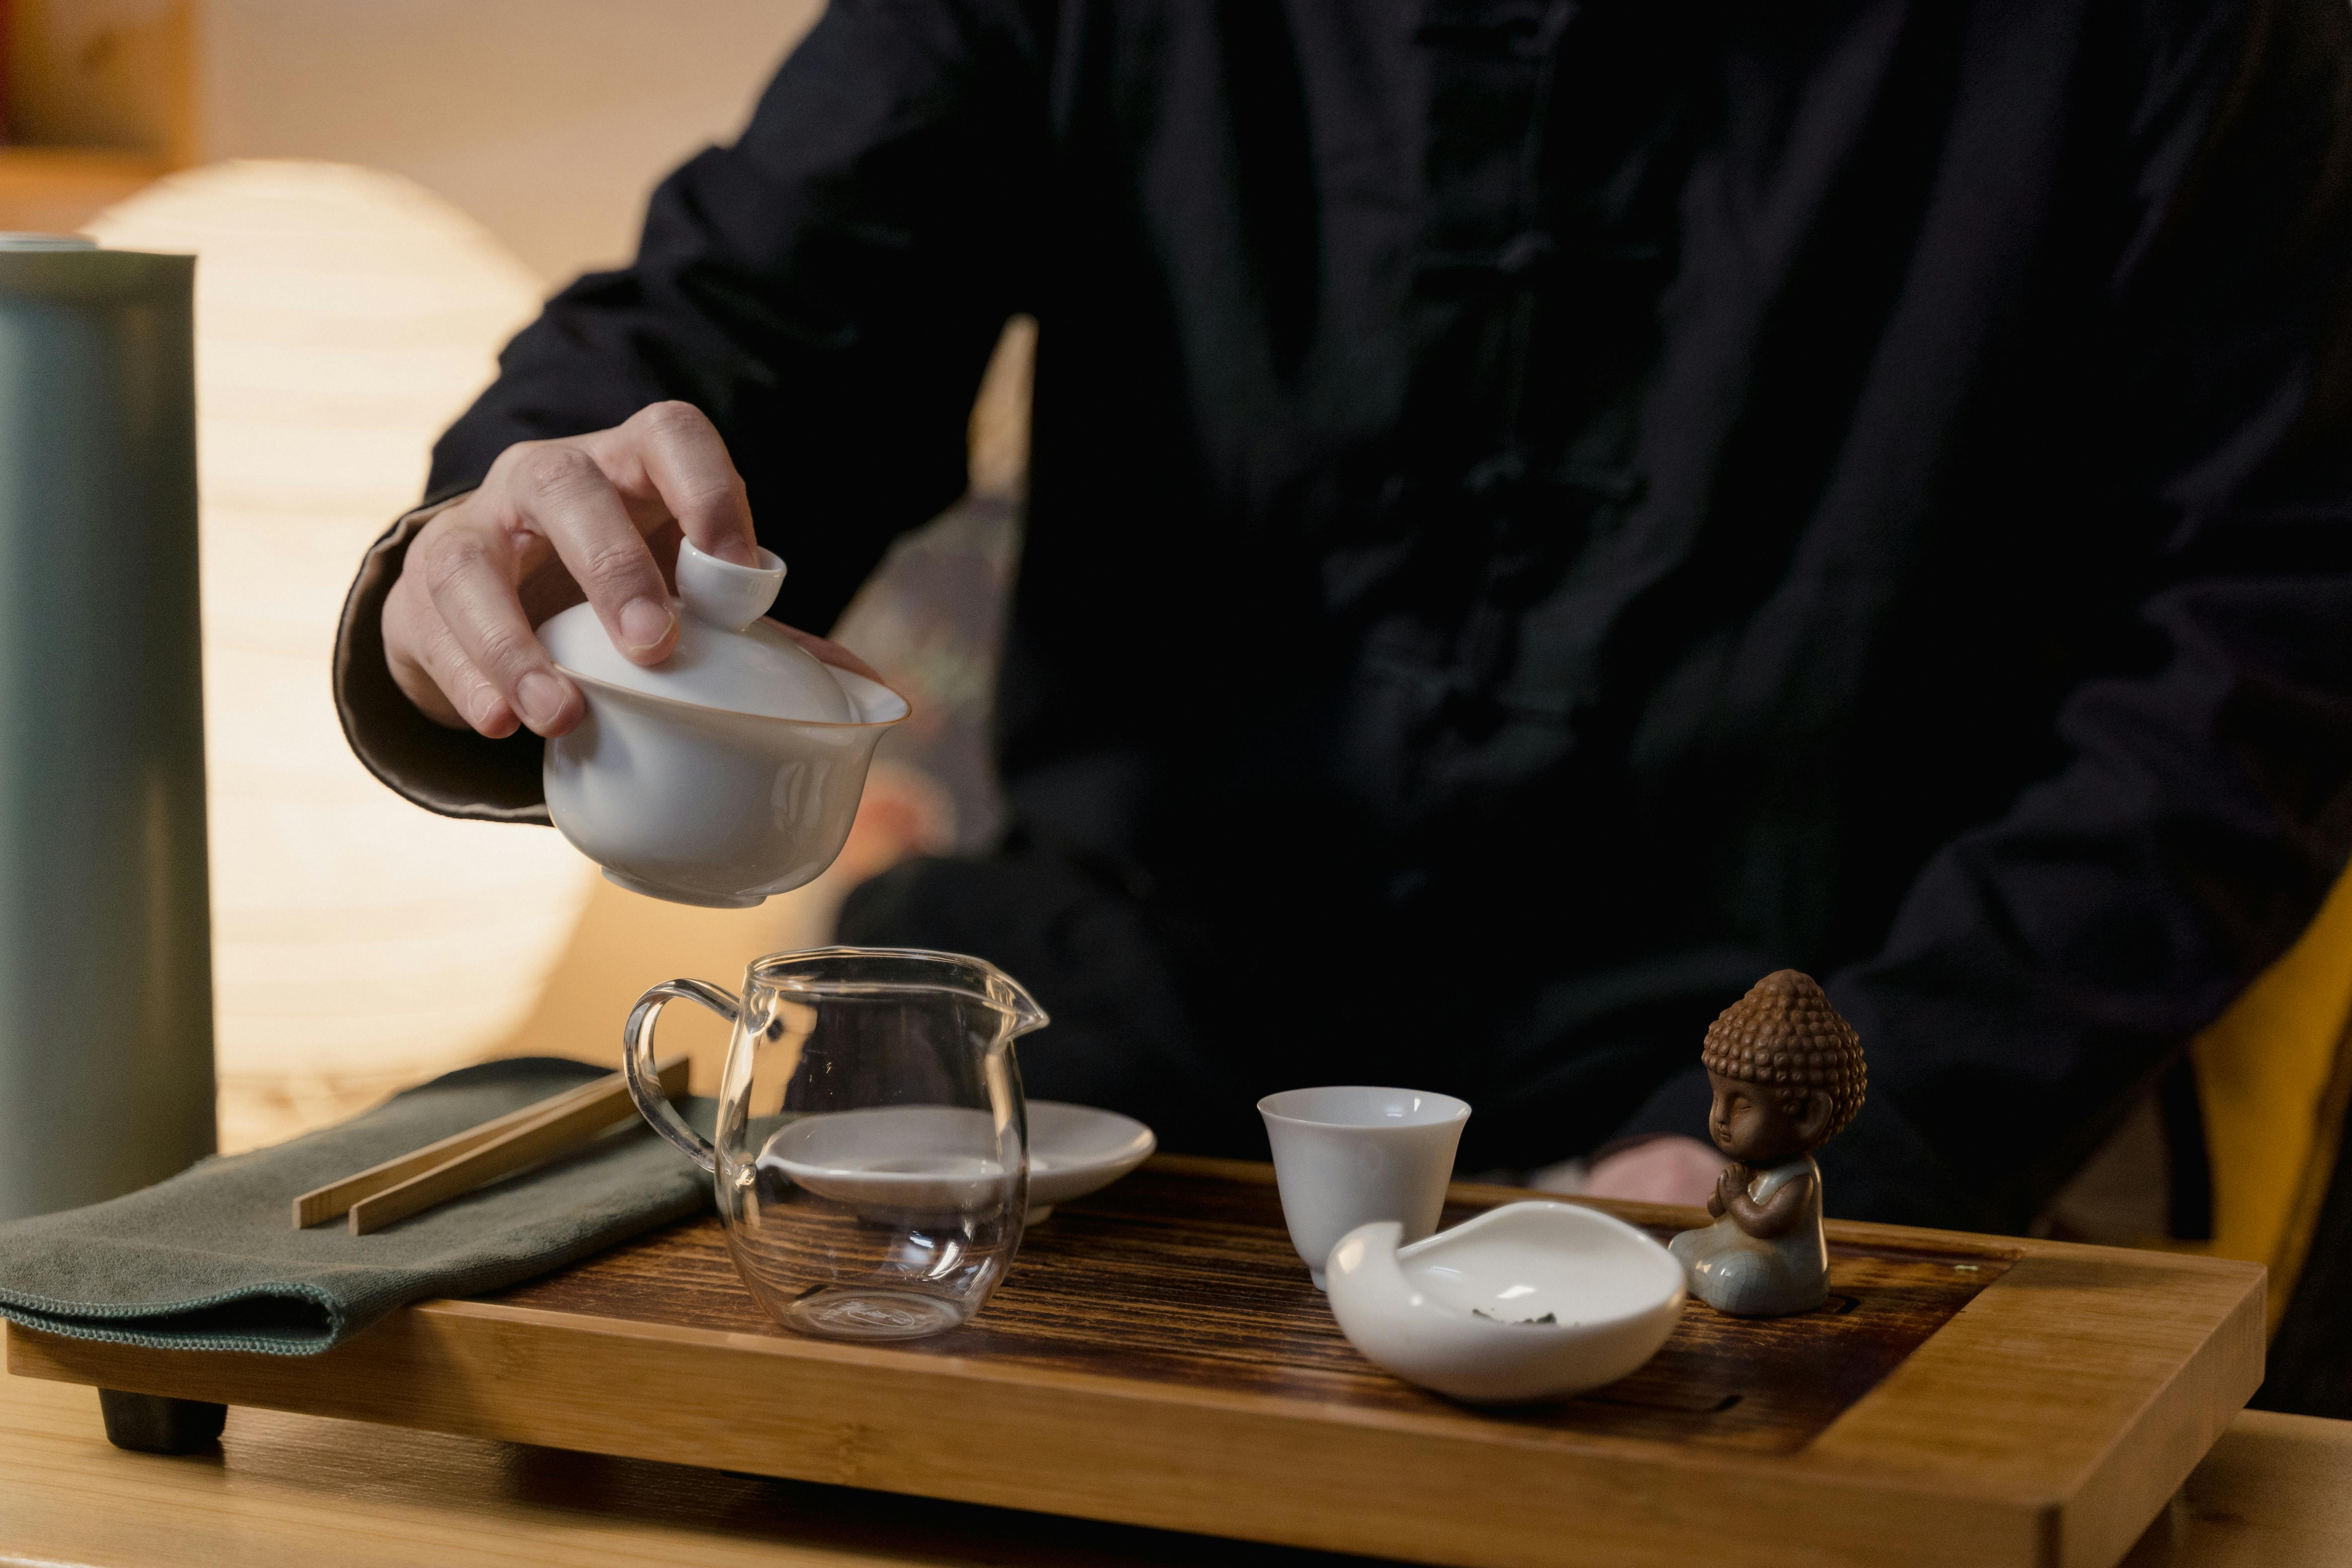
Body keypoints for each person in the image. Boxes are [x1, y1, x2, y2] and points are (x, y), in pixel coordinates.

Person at [334, 0, 2352, 1235]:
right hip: (1138, 1091)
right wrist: (524, 526)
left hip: (1839, 1074)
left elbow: (2277, 624)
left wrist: (1861, 1117)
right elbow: (761, 320)